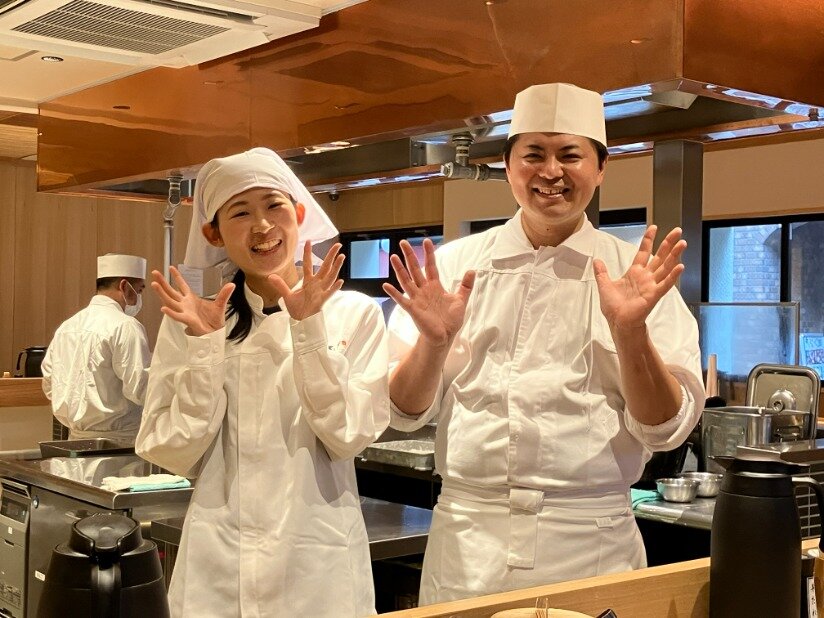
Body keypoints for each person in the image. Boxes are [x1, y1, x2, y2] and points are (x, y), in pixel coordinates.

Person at [383, 83, 705, 604]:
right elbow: (403, 413)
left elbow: (665, 429)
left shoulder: (635, 275)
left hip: (590, 539)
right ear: (508, 165)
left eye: (570, 155)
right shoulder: (454, 266)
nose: (551, 171)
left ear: (600, 169)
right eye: (533, 154)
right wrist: (434, 343)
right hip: (469, 536)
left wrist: (630, 332)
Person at [135, 147, 390, 617]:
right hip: (219, 564)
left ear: (298, 214)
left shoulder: (353, 314)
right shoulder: (192, 321)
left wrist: (308, 330)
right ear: (213, 232)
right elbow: (169, 449)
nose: (262, 226)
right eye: (240, 212)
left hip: (317, 565)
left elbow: (348, 436)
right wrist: (206, 348)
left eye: (274, 206)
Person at [42, 254, 151, 445]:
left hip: (75, 441)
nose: (139, 298)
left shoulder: (67, 327)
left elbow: (49, 383)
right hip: (121, 443)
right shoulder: (125, 326)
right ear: (124, 286)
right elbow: (140, 387)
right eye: (140, 289)